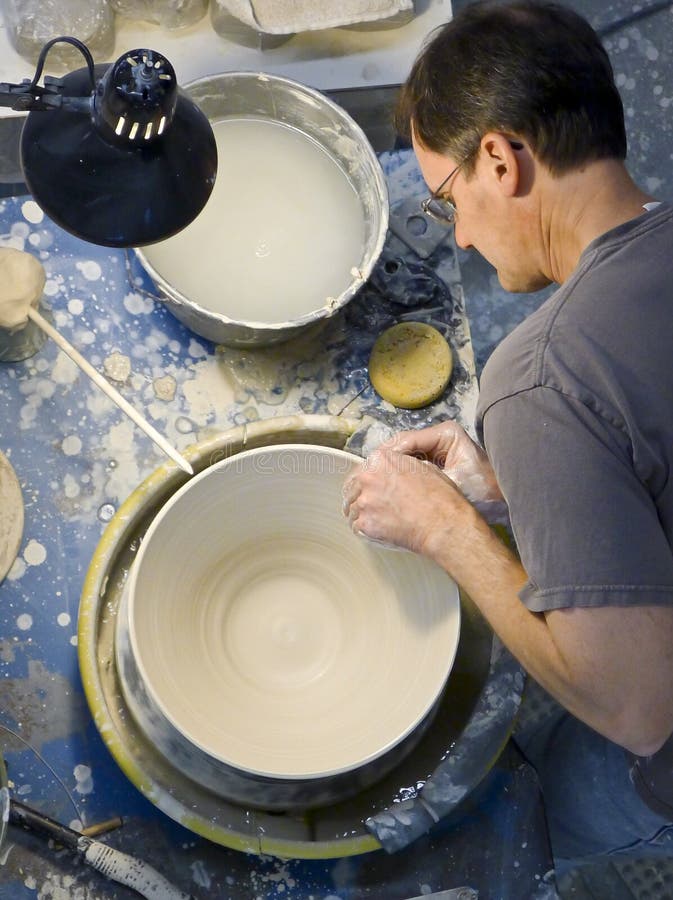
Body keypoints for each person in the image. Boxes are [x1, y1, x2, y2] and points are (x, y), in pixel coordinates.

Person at [341, 0, 673, 874]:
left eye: (447, 198)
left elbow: (637, 706)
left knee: (569, 795)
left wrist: (448, 530)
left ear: (499, 158)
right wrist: (525, 487)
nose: (458, 234)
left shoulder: (538, 376)